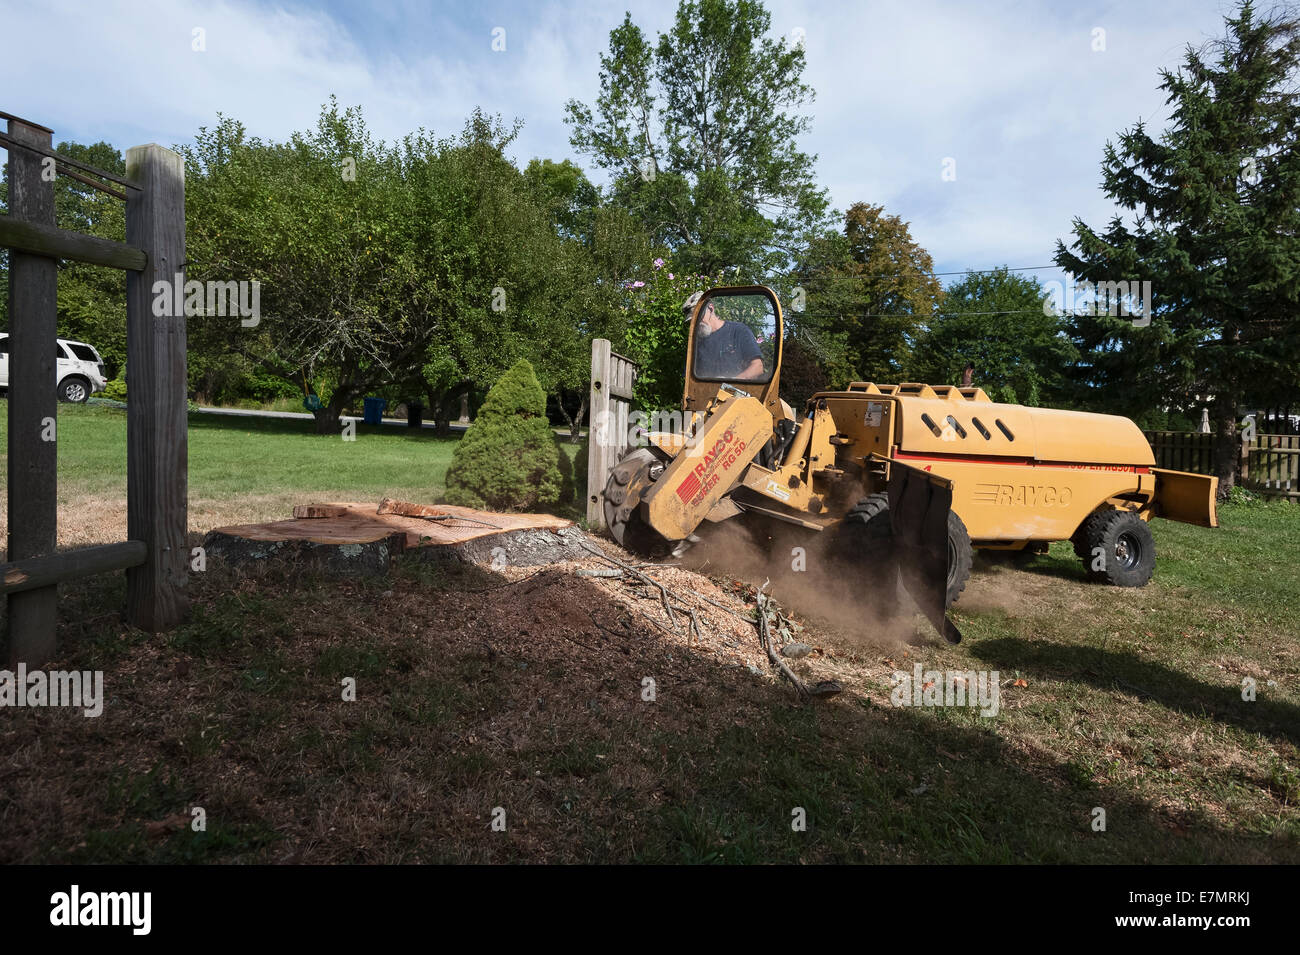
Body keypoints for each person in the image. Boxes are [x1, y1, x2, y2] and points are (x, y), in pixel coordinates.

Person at [683, 292, 764, 380]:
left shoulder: (738, 331)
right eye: (692, 321)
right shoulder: (695, 343)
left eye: (699, 317)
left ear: (711, 308)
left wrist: (729, 383)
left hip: (735, 393)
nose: (696, 323)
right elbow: (690, 381)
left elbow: (758, 367)